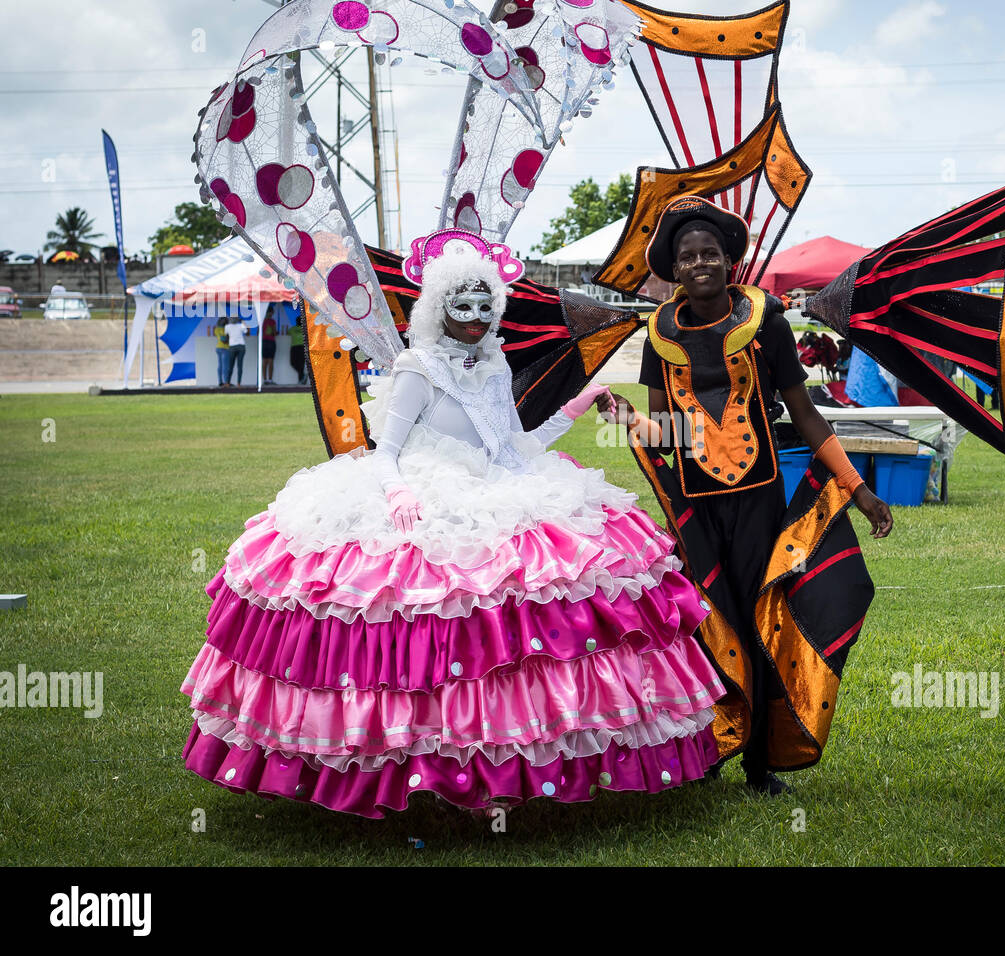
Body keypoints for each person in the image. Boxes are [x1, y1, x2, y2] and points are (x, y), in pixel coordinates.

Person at [181, 239, 724, 816]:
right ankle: (415, 765)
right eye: (461, 307)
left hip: (496, 485)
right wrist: (398, 493)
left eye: (485, 306)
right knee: (425, 613)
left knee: (541, 602)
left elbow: (514, 448)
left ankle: (506, 759)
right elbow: (384, 451)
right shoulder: (417, 367)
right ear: (437, 307)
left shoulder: (493, 362)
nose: (475, 320)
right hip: (428, 487)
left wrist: (581, 402)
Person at [597, 196, 892, 796]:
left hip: (761, 504)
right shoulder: (660, 336)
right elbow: (669, 431)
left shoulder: (768, 323)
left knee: (761, 622)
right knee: (707, 621)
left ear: (730, 260)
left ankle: (759, 761)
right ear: (673, 270)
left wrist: (857, 489)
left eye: (711, 253)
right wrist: (629, 419)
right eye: (687, 256)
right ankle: (711, 747)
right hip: (697, 508)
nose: (700, 263)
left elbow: (806, 414)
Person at [225, 312, 249, 386]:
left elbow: (226, 337)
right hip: (241, 346)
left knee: (230, 366)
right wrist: (244, 323)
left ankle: (228, 383)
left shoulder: (227, 326)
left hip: (232, 346)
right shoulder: (241, 325)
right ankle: (238, 383)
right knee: (240, 365)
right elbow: (247, 333)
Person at [289, 311, 307, 385]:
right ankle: (303, 376)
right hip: (295, 347)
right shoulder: (293, 328)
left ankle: (301, 380)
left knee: (301, 364)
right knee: (293, 363)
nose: (298, 321)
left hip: (302, 347)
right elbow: (287, 333)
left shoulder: (305, 329)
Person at [260, 305, 277, 384]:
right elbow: (274, 333)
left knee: (264, 361)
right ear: (271, 312)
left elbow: (258, 333)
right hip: (271, 342)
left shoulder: (262, 320)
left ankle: (265, 380)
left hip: (263, 342)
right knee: (270, 361)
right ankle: (270, 379)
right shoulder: (272, 321)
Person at [215, 318, 231, 387]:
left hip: (218, 348)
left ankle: (220, 381)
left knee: (220, 366)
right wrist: (228, 336)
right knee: (225, 367)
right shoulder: (226, 329)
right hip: (225, 348)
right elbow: (224, 340)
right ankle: (226, 382)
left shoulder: (216, 329)